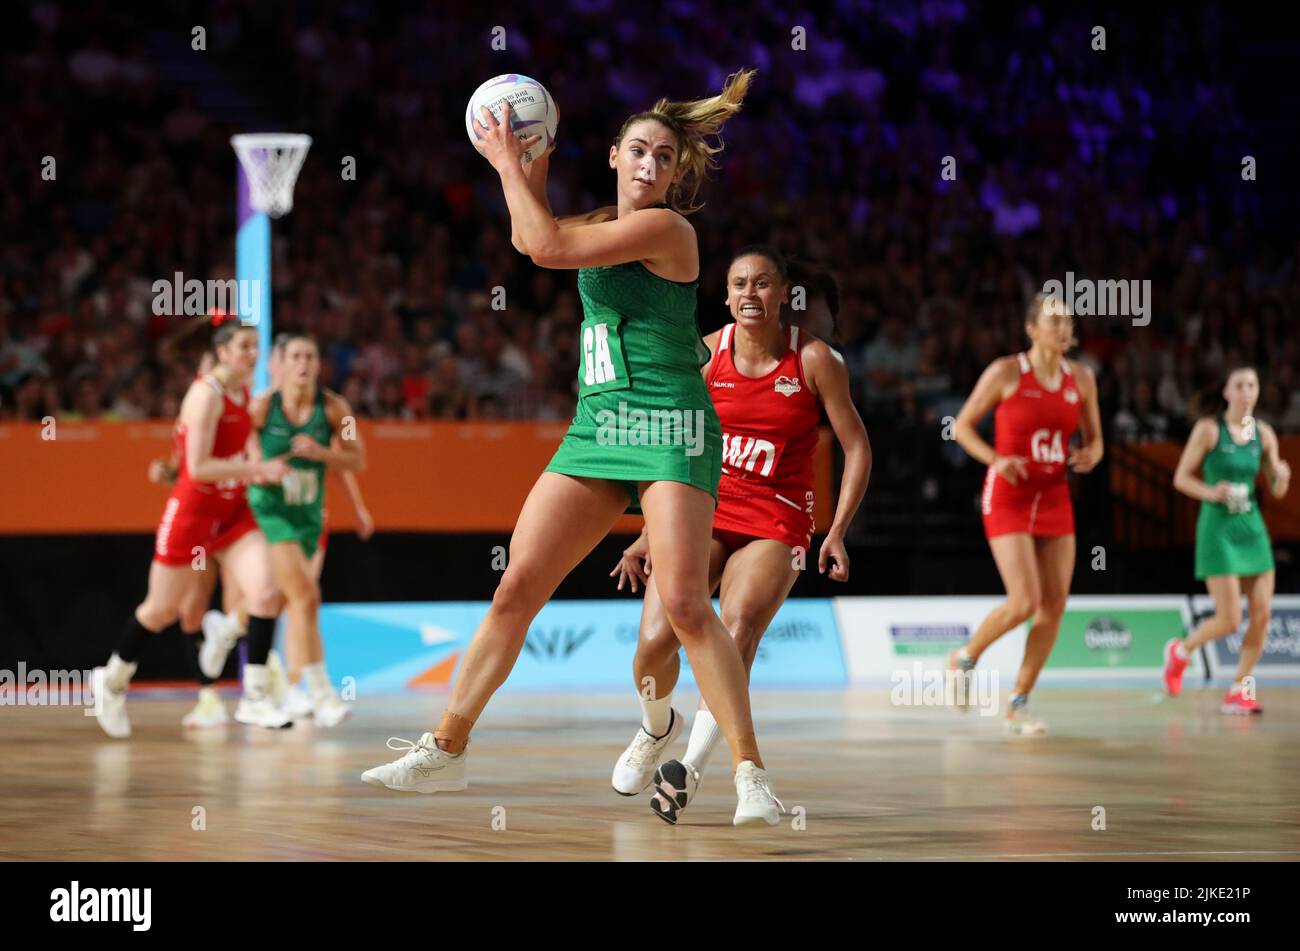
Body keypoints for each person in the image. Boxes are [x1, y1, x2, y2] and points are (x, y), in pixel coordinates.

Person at [362, 68, 785, 825]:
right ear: (615, 159)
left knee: (687, 605)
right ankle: (447, 747)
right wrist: (532, 163)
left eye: (665, 157)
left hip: (669, 425)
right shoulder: (596, 219)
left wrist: (507, 164)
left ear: (675, 173)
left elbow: (546, 245)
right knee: (514, 588)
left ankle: (751, 771)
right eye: (639, 152)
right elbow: (534, 239)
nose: (652, 165)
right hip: (599, 427)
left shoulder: (670, 231)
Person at [609, 245, 870, 823]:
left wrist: (837, 531)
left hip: (778, 520)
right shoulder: (705, 354)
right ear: (725, 296)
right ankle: (657, 729)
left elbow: (857, 447)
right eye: (739, 284)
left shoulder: (816, 360)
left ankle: (705, 770)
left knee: (738, 626)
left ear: (783, 295)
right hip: (705, 508)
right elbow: (669, 443)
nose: (750, 294)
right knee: (654, 640)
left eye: (762, 284)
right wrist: (649, 531)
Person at [92, 317, 292, 736]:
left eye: (257, 346)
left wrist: (255, 467)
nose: (253, 354)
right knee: (161, 611)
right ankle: (111, 682)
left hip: (233, 511)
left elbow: (225, 448)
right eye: (245, 347)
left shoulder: (242, 392)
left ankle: (254, 697)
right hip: (194, 514)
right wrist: (258, 468)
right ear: (221, 352)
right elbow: (198, 467)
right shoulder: (206, 395)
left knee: (268, 591)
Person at [946, 293, 1103, 734]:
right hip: (1009, 493)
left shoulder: (1083, 379)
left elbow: (1097, 441)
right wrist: (996, 458)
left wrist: (1092, 454)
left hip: (1054, 495)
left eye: (1068, 320)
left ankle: (1018, 702)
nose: (1064, 327)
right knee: (1025, 602)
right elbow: (960, 426)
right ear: (1031, 329)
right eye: (1054, 320)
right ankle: (964, 658)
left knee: (1053, 606)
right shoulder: (1006, 371)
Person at [245, 332, 365, 726]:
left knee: (288, 601)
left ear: (318, 364)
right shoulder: (262, 408)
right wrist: (262, 468)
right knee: (306, 596)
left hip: (310, 516)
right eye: (295, 356)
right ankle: (320, 691)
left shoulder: (334, 409)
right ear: (280, 362)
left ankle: (256, 672)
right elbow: (244, 450)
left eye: (310, 357)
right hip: (271, 512)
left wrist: (322, 453)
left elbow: (356, 458)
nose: (303, 364)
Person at [1164, 367, 1291, 713]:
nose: (1247, 391)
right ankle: (1181, 651)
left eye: (1252, 385)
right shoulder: (1208, 430)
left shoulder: (1264, 434)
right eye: (1239, 385)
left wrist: (1281, 477)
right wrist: (1211, 491)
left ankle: (1239, 689)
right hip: (1217, 528)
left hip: (1251, 527)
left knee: (1263, 613)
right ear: (1226, 392)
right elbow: (1181, 478)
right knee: (1231, 619)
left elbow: (1277, 491)